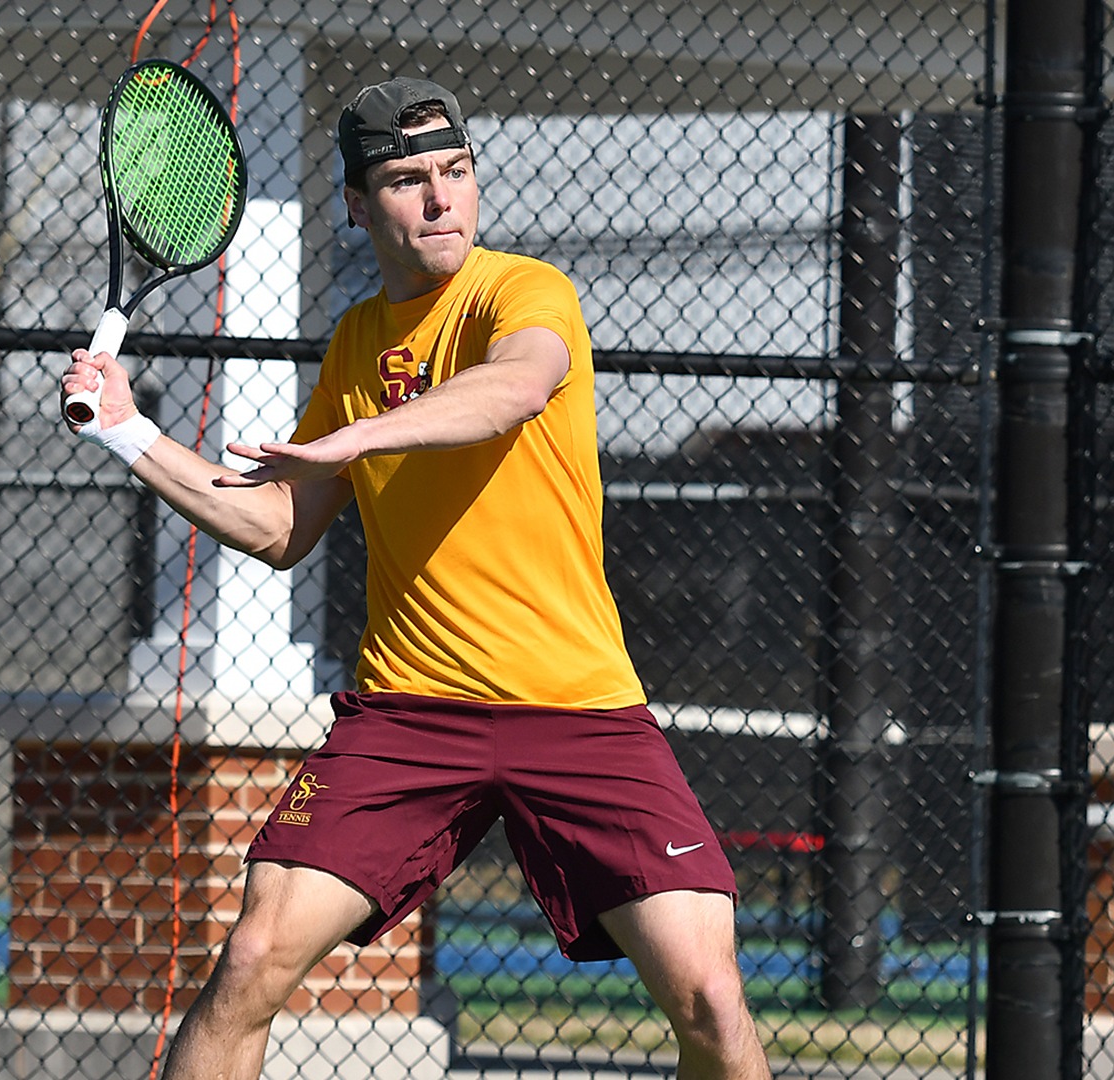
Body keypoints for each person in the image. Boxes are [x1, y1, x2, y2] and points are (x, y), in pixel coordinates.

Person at [60, 77, 772, 1080]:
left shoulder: (523, 292)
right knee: (253, 960)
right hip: (408, 716)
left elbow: (514, 388)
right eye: (406, 180)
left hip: (578, 709)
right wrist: (132, 434)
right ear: (357, 203)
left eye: (456, 172)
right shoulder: (356, 342)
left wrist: (359, 434)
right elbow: (276, 526)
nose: (441, 200)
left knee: (707, 994)